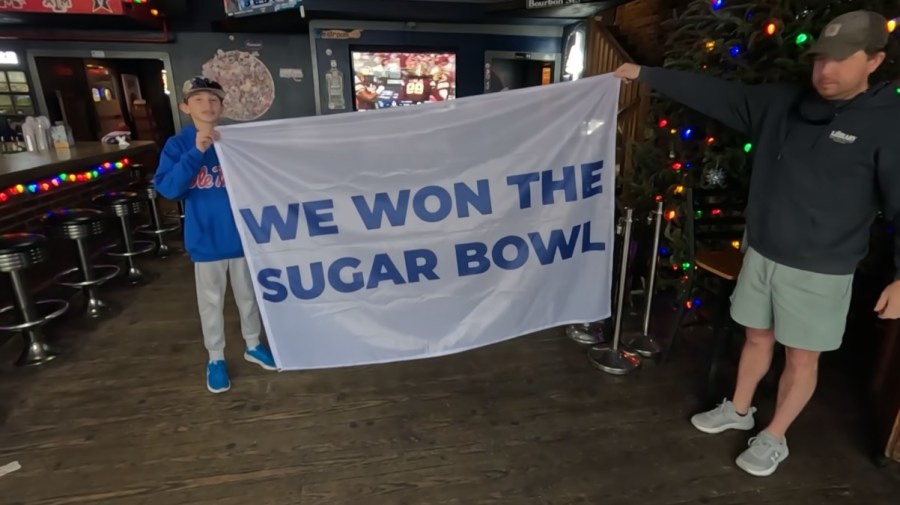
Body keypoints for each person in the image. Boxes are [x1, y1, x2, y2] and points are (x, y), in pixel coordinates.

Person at [614, 10, 900, 476]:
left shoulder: (888, 125)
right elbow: (717, 94)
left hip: (821, 268)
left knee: (801, 358)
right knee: (755, 336)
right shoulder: (782, 104)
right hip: (762, 251)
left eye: (842, 59)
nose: (826, 70)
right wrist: (643, 73)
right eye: (820, 58)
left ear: (874, 61)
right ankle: (739, 408)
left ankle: (774, 436)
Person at [154, 77, 277, 394]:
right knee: (210, 302)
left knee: (249, 296)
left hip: (244, 237)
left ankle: (253, 344)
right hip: (206, 239)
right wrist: (196, 151)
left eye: (213, 100)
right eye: (198, 100)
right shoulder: (178, 145)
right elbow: (169, 189)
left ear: (222, 106)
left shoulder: (235, 141)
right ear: (185, 107)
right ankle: (216, 358)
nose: (207, 105)